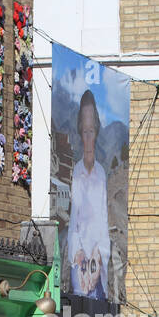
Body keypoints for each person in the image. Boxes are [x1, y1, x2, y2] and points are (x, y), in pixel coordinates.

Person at [67, 90, 111, 300]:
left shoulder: (102, 174)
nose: (88, 138)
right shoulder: (76, 172)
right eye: (84, 132)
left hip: (98, 262)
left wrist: (98, 257)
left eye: (91, 131)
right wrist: (79, 255)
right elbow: (73, 222)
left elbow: (103, 222)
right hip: (80, 263)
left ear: (97, 133)